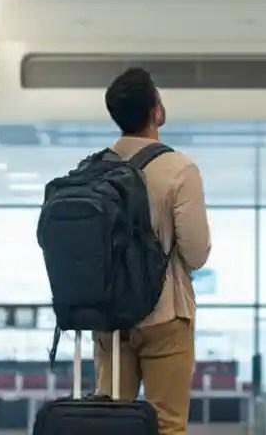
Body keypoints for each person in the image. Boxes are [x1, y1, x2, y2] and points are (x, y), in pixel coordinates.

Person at [94, 67, 211, 435]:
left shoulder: (96, 169)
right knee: (167, 426)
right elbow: (196, 253)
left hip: (109, 318)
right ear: (157, 112)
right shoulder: (179, 169)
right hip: (165, 315)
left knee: (110, 424)